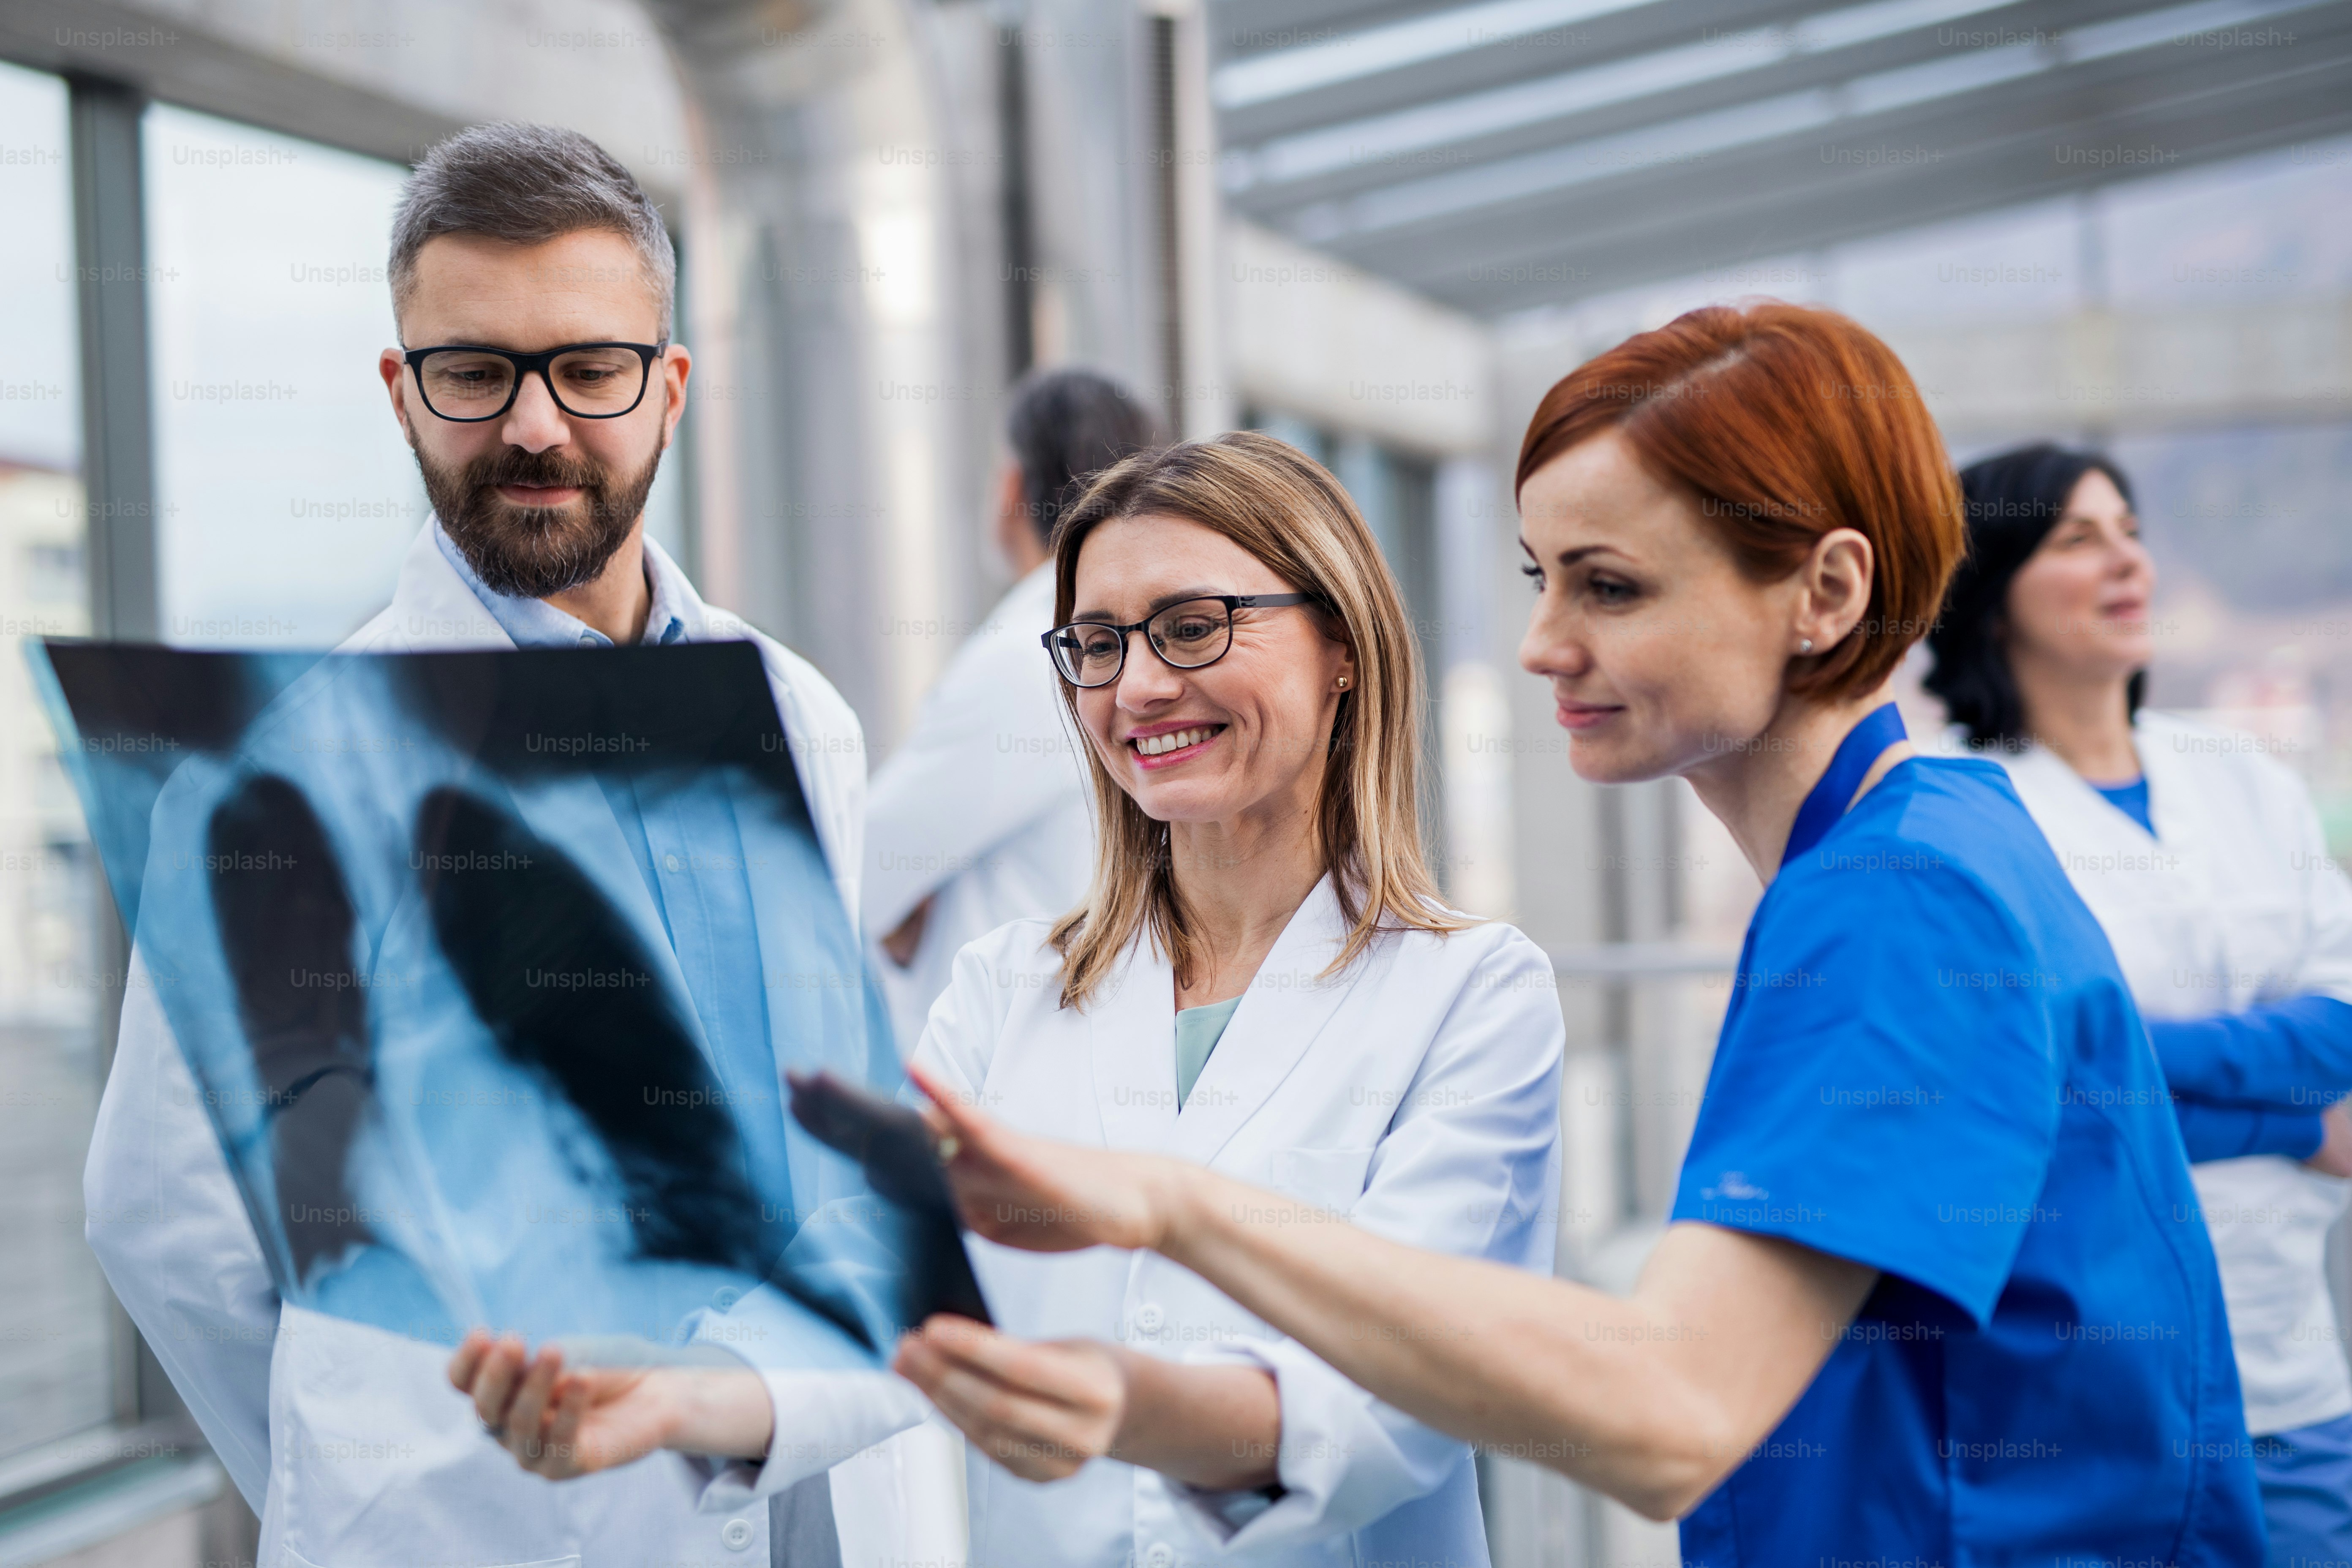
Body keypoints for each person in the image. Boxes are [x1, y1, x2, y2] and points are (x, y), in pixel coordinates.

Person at [889, 303, 2268, 1565]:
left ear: (1826, 594)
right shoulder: (1905, 855)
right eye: (1537, 577)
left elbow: (1669, 1408)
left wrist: (1175, 1208)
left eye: (1606, 587)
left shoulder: (1893, 898)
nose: (1541, 641)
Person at [463, 431, 1567, 1568]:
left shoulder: (1473, 997)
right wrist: (681, 1394)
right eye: (1097, 644)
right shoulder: (1008, 990)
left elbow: (1415, 1379)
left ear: (1340, 642)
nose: (1138, 686)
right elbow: (883, 1272)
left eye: (1194, 627)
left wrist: (1119, 1405)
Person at [81, 122, 945, 1568]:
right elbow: (167, 1226)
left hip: (793, 1508)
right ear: (401, 395)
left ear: (667, 389)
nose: (535, 427)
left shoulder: (799, 716)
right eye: (473, 371)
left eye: (588, 367)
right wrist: (367, 1475)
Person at [1925, 442, 2352, 1568]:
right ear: (1993, 590)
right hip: (2080, 1400)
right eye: (2077, 540)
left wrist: (2122, 1068)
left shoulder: (2244, 780)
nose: (2128, 563)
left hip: (2288, 1373)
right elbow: (2019, 1088)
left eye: (2130, 530)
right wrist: (2297, 1118)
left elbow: (2345, 1025)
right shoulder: (1963, 814)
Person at [865, 368, 1155, 1054]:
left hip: (1018, 1064)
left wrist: (911, 909)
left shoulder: (1027, 654)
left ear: (1012, 491)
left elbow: (856, 872)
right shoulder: (1140, 648)